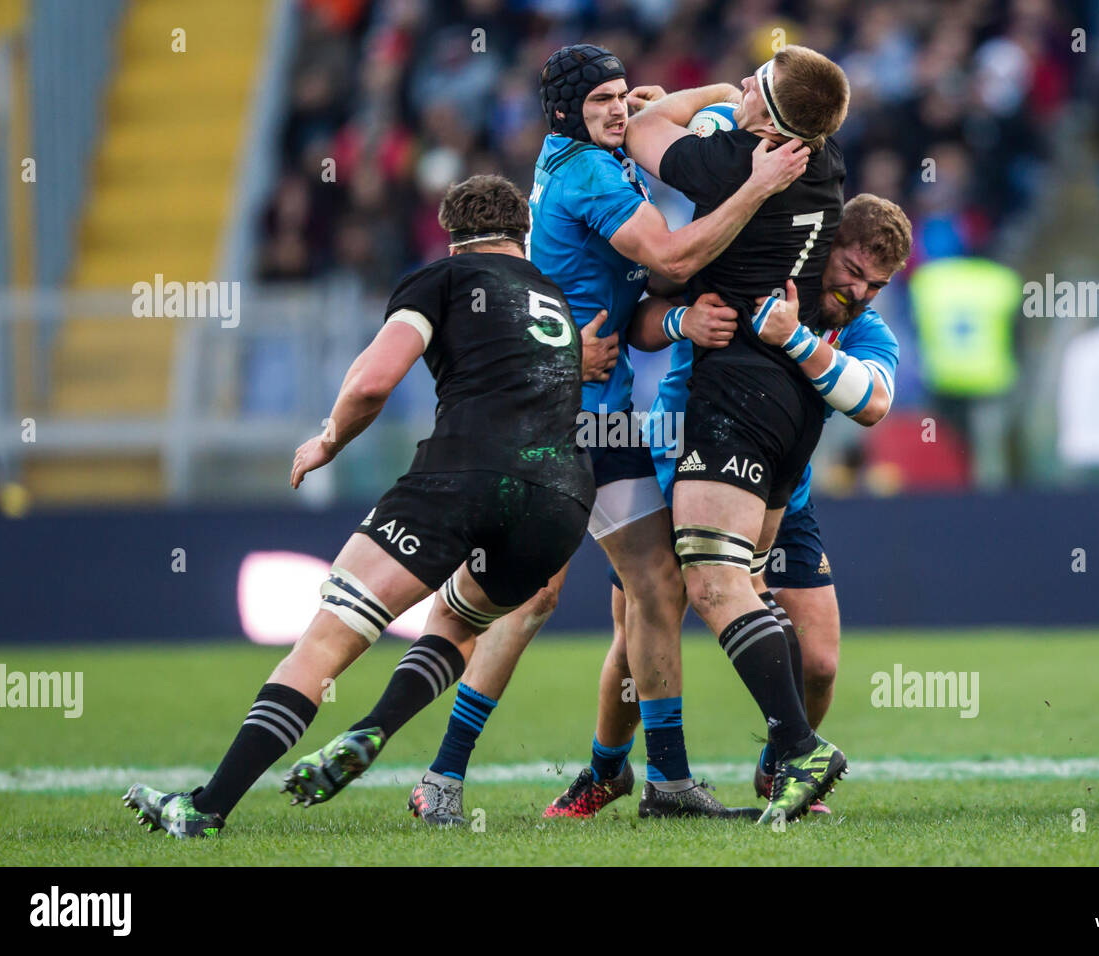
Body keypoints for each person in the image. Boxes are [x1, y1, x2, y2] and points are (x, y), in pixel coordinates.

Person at [281, 44, 809, 824]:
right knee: (528, 599)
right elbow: (671, 254)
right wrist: (758, 183)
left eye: (625, 95)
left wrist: (673, 316)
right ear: (564, 110)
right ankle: (443, 774)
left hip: (604, 407)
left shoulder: (600, 156)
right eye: (603, 99)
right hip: (558, 413)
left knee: (655, 584)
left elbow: (630, 301)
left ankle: (661, 779)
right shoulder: (591, 173)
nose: (620, 109)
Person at [123, 174, 595, 837]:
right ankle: (374, 728)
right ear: (524, 235)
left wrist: (329, 438)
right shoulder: (556, 300)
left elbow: (374, 380)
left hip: (463, 476)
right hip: (562, 498)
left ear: (453, 240)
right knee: (458, 626)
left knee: (325, 642)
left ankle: (205, 807)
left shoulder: (441, 280)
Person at [548, 194, 909, 819]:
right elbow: (641, 302)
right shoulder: (746, 270)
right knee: (640, 627)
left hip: (783, 500)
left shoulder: (860, 328)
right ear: (825, 245)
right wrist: (680, 321)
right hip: (679, 466)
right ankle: (607, 769)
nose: (861, 292)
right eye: (852, 270)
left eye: (877, 283)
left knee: (819, 660)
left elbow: (874, 402)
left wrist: (796, 339)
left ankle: (779, 767)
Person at [623, 45, 856, 823]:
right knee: (746, 584)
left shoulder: (731, 166)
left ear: (766, 114)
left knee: (712, 580)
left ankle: (798, 747)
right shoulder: (825, 166)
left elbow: (643, 127)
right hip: (796, 409)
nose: (743, 85)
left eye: (755, 83)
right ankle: (787, 750)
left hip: (738, 400)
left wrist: (709, 93)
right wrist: (740, 101)